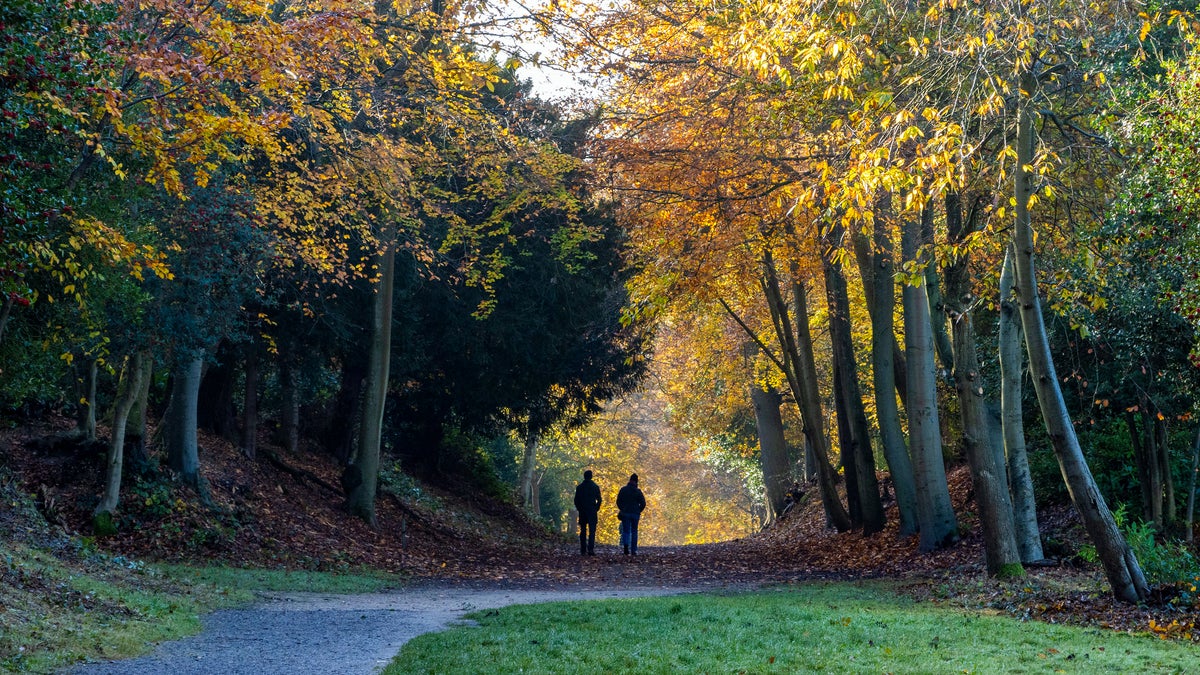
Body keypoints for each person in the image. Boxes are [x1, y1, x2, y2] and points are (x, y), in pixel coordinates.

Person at [616, 473, 646, 555]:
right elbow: (643, 503)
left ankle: (626, 547)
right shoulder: (638, 491)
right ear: (636, 482)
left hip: (625, 513)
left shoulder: (623, 490)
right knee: (634, 531)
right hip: (635, 514)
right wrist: (639, 510)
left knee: (626, 531)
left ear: (629, 480)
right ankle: (634, 550)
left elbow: (618, 501)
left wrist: (622, 509)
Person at [573, 470, 602, 556]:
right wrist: (596, 508)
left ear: (584, 476)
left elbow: (576, 500)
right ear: (591, 477)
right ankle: (590, 549)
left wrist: (579, 508)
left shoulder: (579, 487)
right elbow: (599, 500)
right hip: (592, 511)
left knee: (583, 530)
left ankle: (583, 549)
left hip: (583, 511)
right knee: (592, 530)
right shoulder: (595, 487)